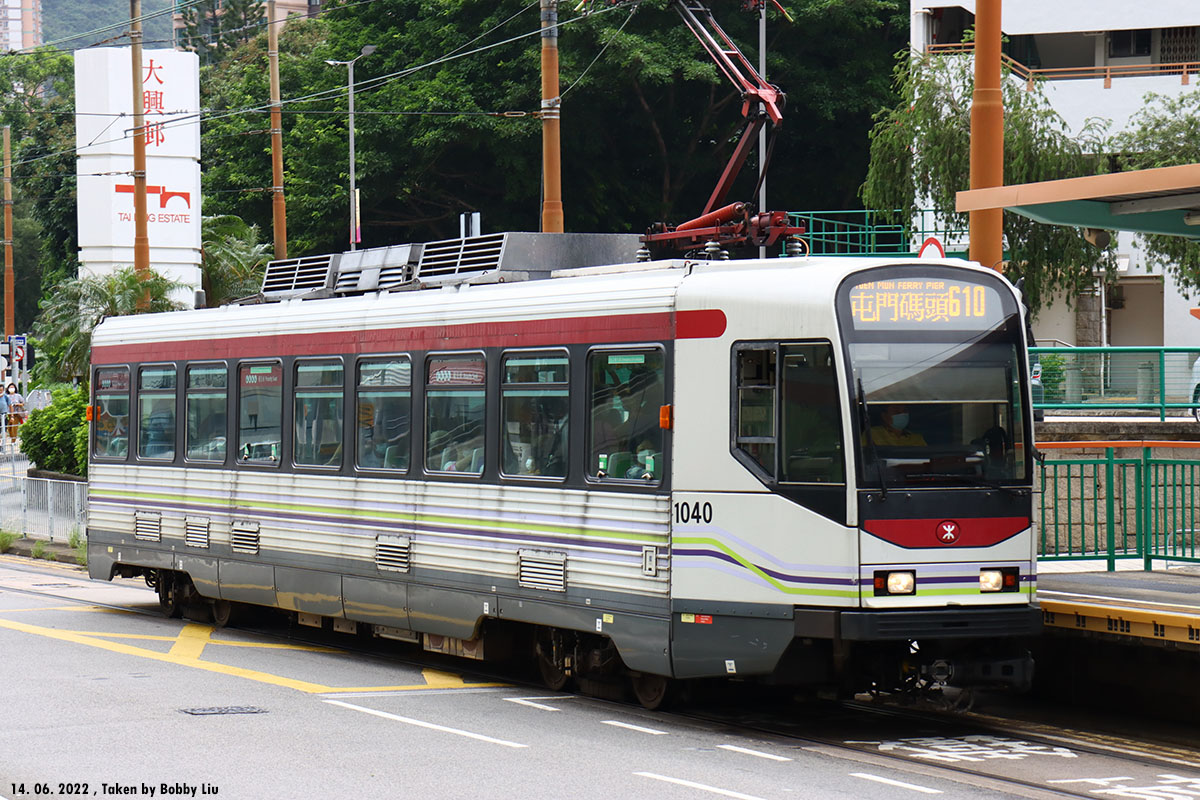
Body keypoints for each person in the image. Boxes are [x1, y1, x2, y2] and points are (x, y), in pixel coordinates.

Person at [4, 384, 22, 448]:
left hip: (16, 414)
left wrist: (18, 404)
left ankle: (13, 441)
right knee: (9, 428)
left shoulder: (18, 396)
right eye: (10, 387)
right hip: (8, 414)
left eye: (13, 387)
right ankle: (12, 438)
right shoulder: (6, 396)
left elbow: (23, 403)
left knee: (14, 427)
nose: (11, 389)